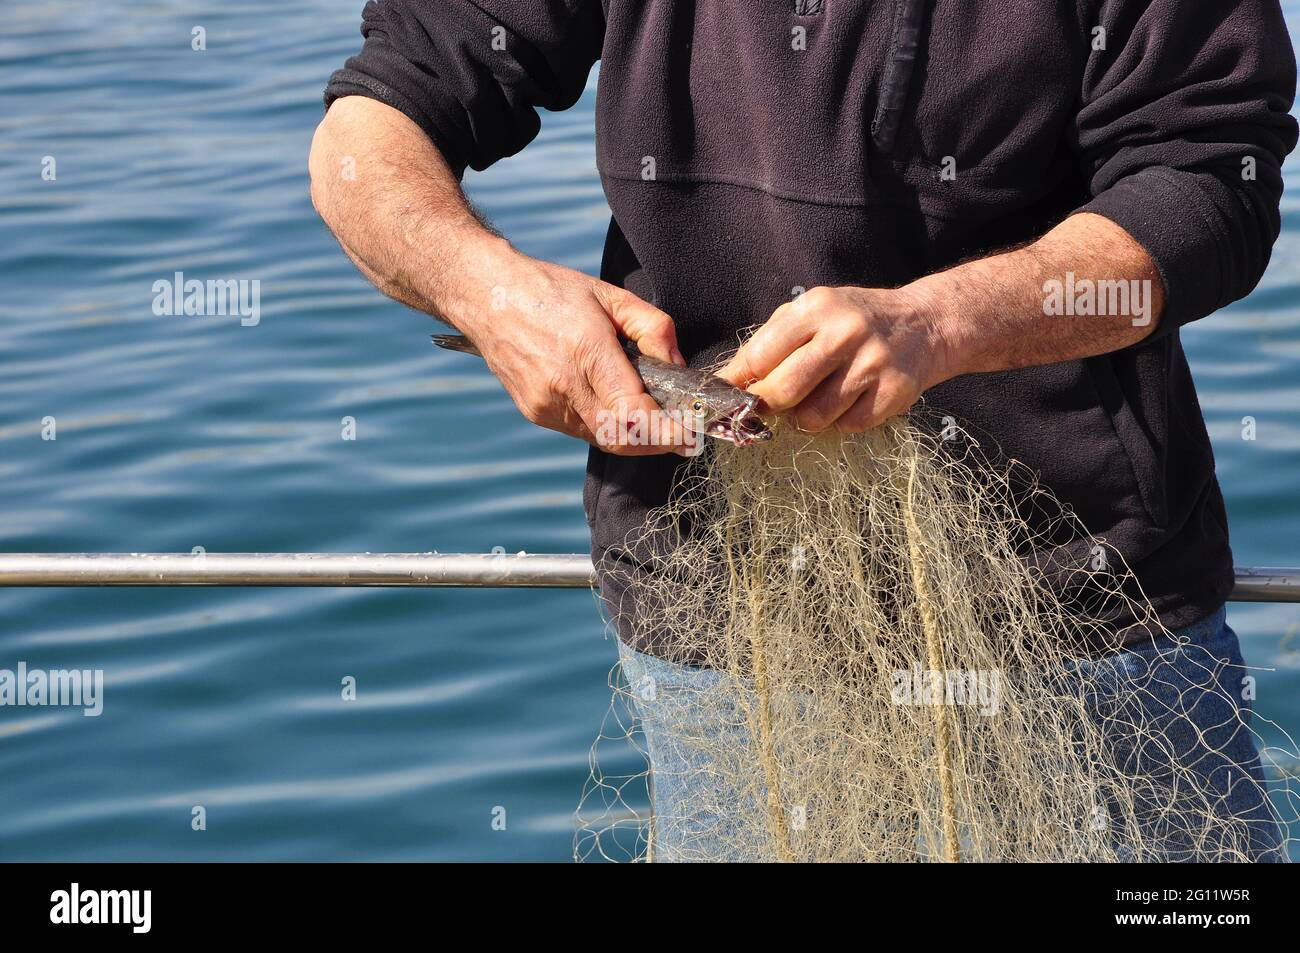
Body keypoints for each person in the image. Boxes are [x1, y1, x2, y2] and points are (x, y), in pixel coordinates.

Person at [311, 0, 1296, 860]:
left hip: (1088, 624)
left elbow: (1210, 181)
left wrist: (946, 322)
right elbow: (371, 122)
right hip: (724, 635)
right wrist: (488, 295)